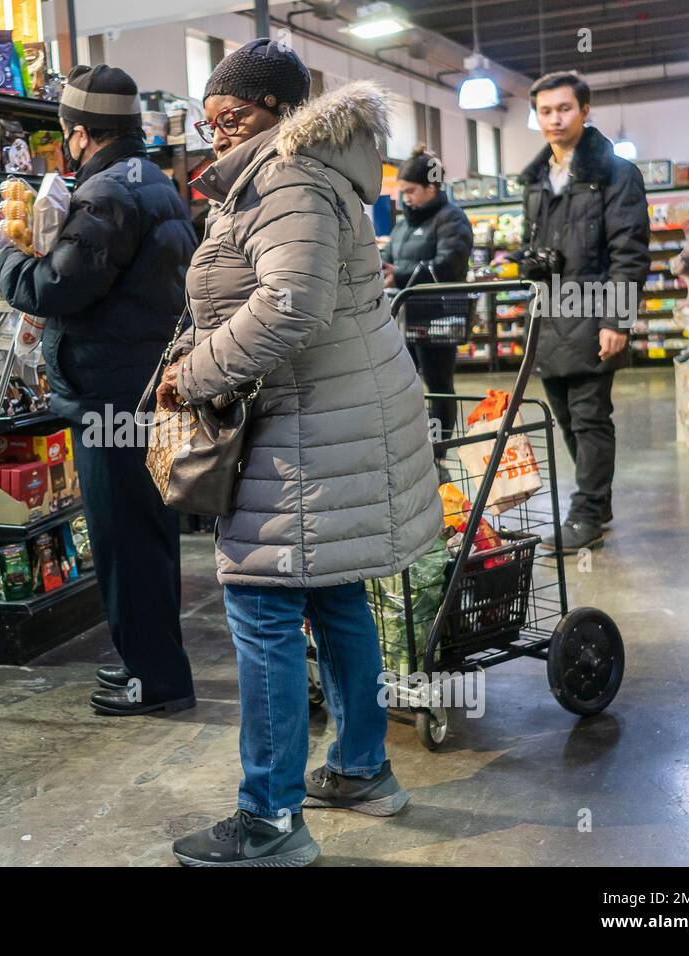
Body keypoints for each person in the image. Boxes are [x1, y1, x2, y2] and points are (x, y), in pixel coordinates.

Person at [157, 39, 442, 867]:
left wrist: (195, 373)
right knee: (337, 598)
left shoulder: (286, 179)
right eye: (208, 118)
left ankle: (271, 819)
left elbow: (290, 309)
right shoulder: (286, 177)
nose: (216, 131)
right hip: (323, 420)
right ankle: (361, 770)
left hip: (307, 430)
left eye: (233, 115)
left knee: (262, 606)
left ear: (281, 113)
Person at [0, 64, 198, 717]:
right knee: (148, 532)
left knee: (124, 537)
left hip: (112, 394)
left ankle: (154, 676)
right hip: (148, 384)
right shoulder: (157, 183)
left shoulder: (106, 194)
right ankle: (156, 662)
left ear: (80, 134)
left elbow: (59, 286)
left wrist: (6, 254)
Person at [519, 71, 649, 553]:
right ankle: (601, 502)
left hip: (594, 314)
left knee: (590, 416)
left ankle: (587, 514)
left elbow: (629, 250)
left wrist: (618, 320)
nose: (554, 119)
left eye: (564, 109)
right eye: (545, 111)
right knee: (567, 418)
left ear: (585, 110)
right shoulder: (536, 179)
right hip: (549, 314)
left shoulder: (615, 172)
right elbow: (536, 244)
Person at [382, 146, 474, 446]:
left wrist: (401, 274)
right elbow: (389, 258)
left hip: (440, 318)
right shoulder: (403, 225)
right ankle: (414, 447)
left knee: (437, 385)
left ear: (431, 187)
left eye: (411, 191)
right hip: (404, 318)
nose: (405, 198)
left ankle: (440, 449)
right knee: (404, 386)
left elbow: (448, 265)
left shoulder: (452, 219)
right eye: (402, 192)